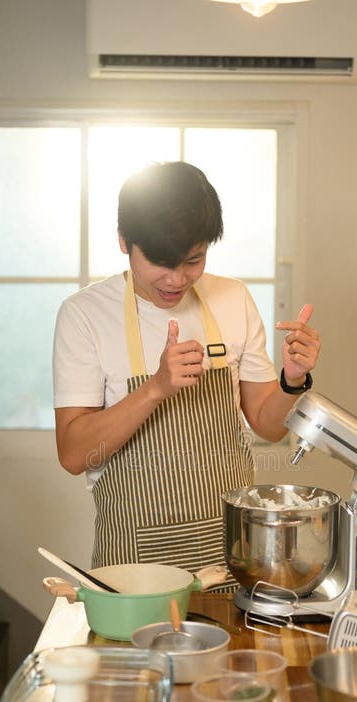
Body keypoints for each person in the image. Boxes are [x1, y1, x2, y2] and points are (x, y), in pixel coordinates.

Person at [53, 161, 320, 584]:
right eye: (161, 262)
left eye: (193, 260)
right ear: (124, 241)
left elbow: (268, 426)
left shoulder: (233, 298)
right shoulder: (84, 314)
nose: (177, 279)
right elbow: (72, 452)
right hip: (134, 563)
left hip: (230, 552)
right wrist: (156, 388)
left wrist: (292, 379)